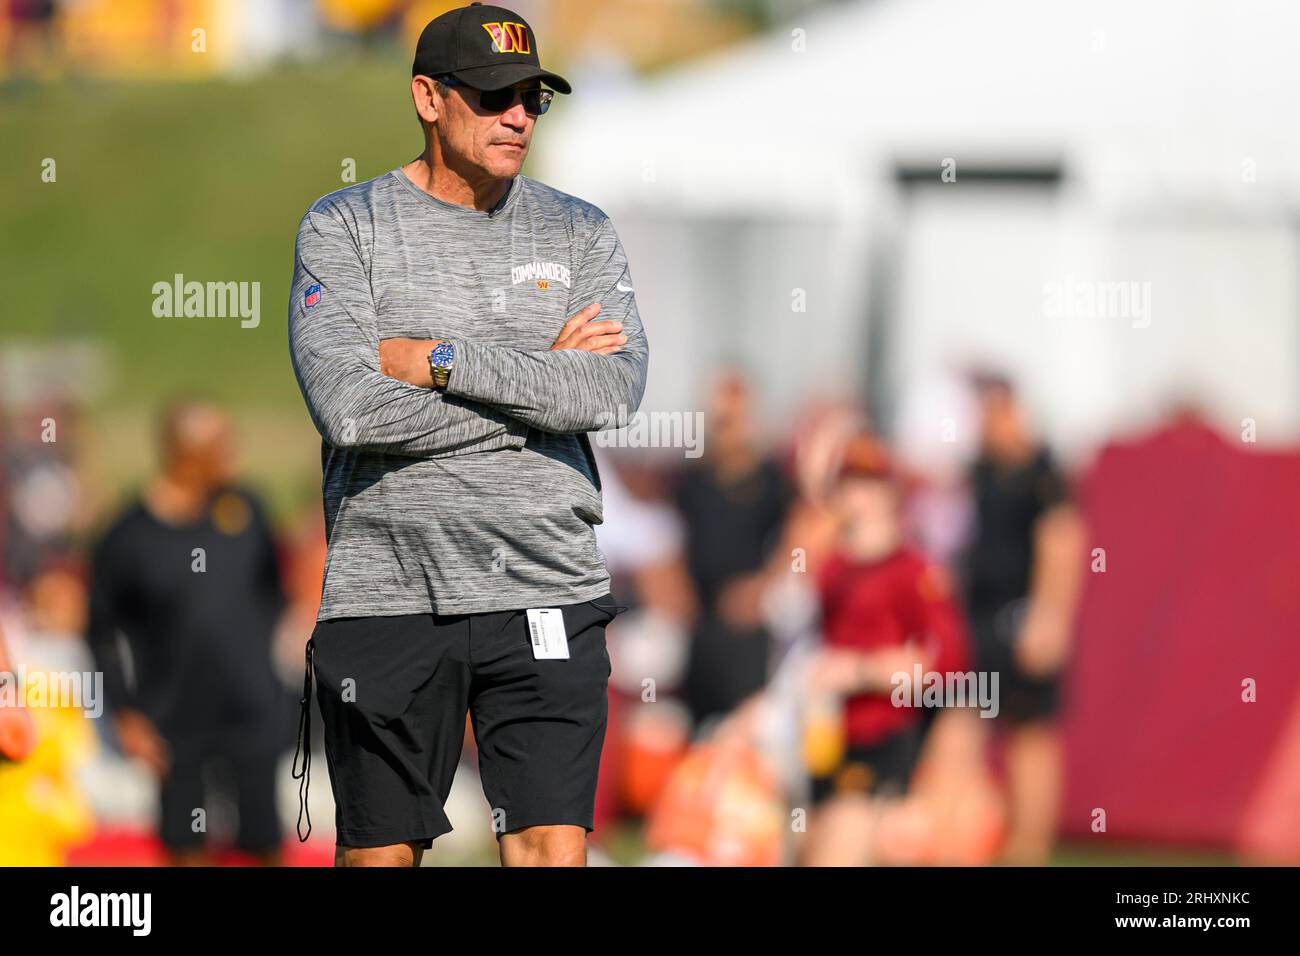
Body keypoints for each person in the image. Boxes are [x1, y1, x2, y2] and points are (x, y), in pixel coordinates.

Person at [286, 2, 648, 867]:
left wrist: (443, 358)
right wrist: (538, 381)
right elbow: (351, 409)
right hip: (389, 589)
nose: (517, 116)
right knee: (382, 856)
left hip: (546, 581)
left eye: (532, 96)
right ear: (427, 97)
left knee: (552, 852)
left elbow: (614, 390)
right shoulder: (345, 229)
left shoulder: (580, 229)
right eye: (493, 96)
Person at [85, 398, 290, 866]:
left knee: (263, 842)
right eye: (220, 444)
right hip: (173, 718)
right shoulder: (128, 535)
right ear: (183, 451)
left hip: (251, 710)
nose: (232, 453)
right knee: (184, 845)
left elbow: (272, 592)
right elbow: (101, 631)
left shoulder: (247, 510)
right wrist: (125, 713)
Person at [800, 433, 970, 866]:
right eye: (849, 485)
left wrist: (863, 671)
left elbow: (948, 665)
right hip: (825, 735)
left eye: (870, 485)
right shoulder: (829, 568)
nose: (858, 498)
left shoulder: (914, 570)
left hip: (886, 737)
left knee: (843, 850)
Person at [962, 373, 1085, 864]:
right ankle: (972, 835)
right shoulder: (980, 471)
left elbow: (1064, 543)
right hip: (981, 616)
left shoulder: (1042, 472)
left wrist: (1049, 617)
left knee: (1029, 733)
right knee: (966, 726)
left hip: (1023, 618)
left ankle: (1030, 844)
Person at [672, 369, 796, 730]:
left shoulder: (773, 481)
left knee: (746, 730)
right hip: (699, 629)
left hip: (750, 633)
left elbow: (802, 535)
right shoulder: (690, 481)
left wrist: (763, 586)